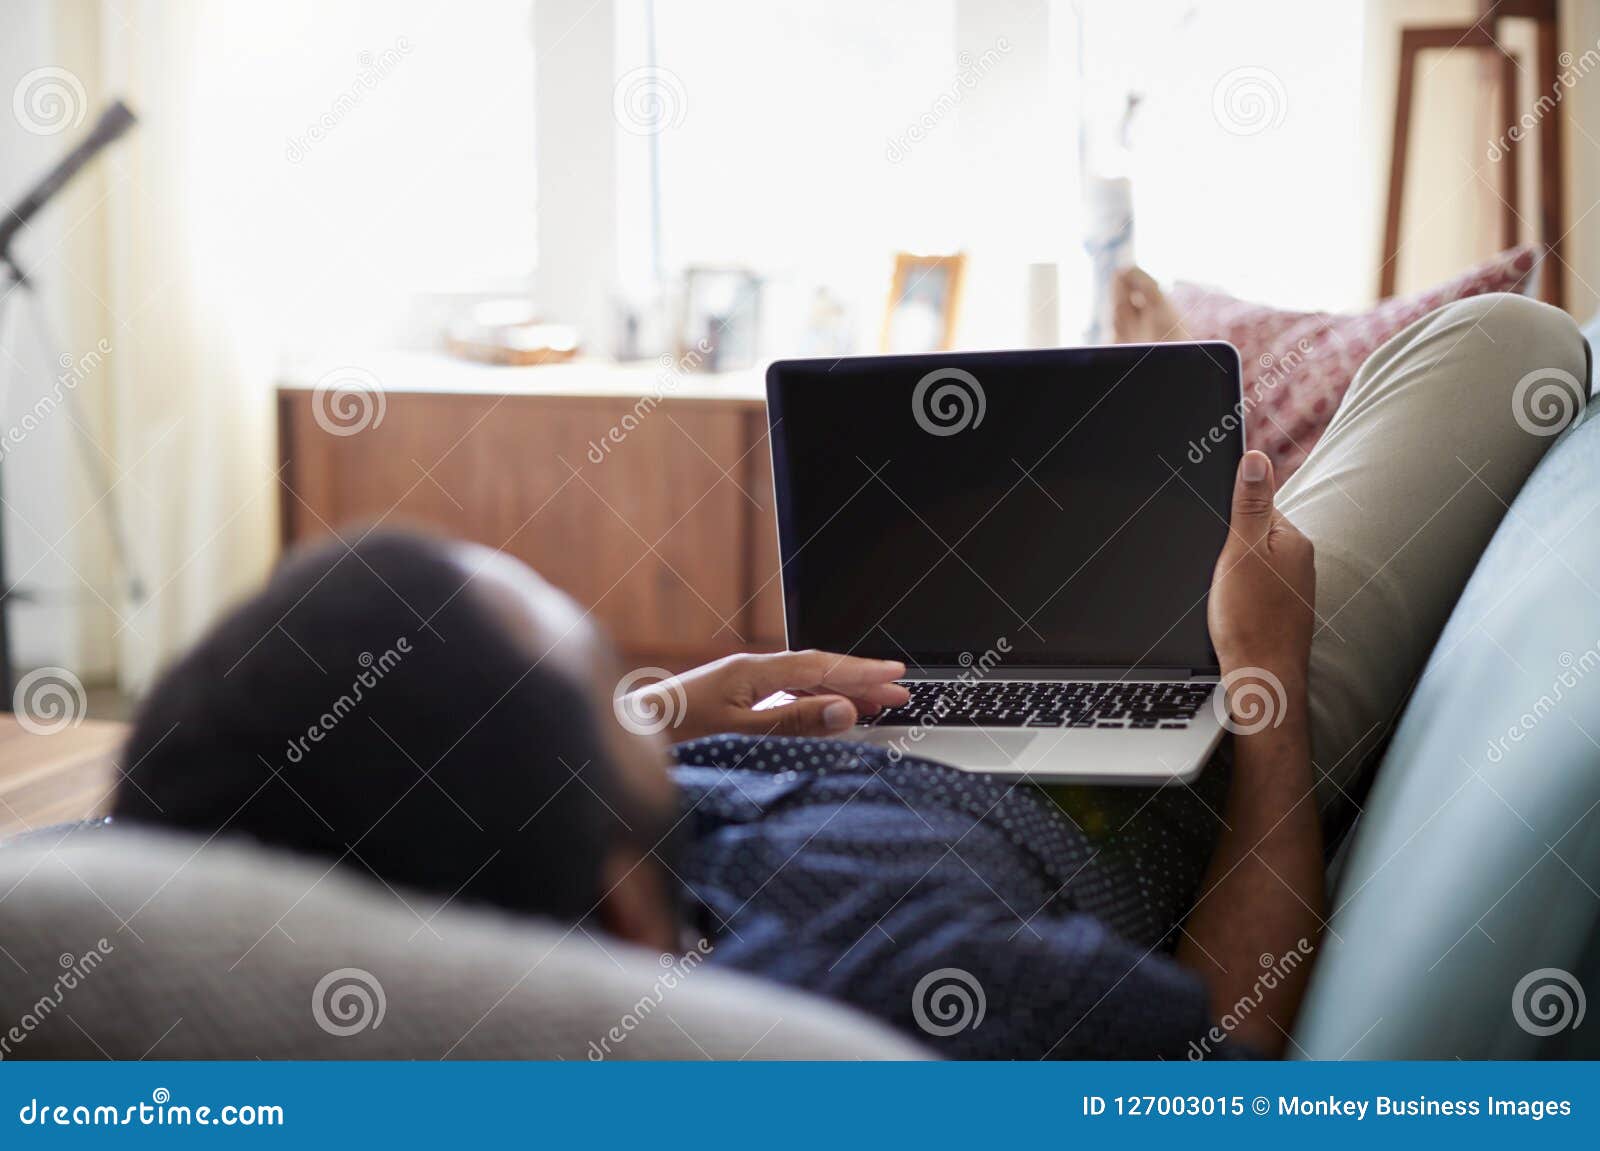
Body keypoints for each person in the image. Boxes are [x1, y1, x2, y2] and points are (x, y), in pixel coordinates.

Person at [111, 286, 1586, 1059]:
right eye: (594, 676)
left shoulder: (458, 858)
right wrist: (1260, 685)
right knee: (1501, 345)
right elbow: (1223, 1053)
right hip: (1167, 779)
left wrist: (675, 715)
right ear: (625, 903)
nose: (643, 683)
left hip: (857, 719)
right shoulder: (888, 969)